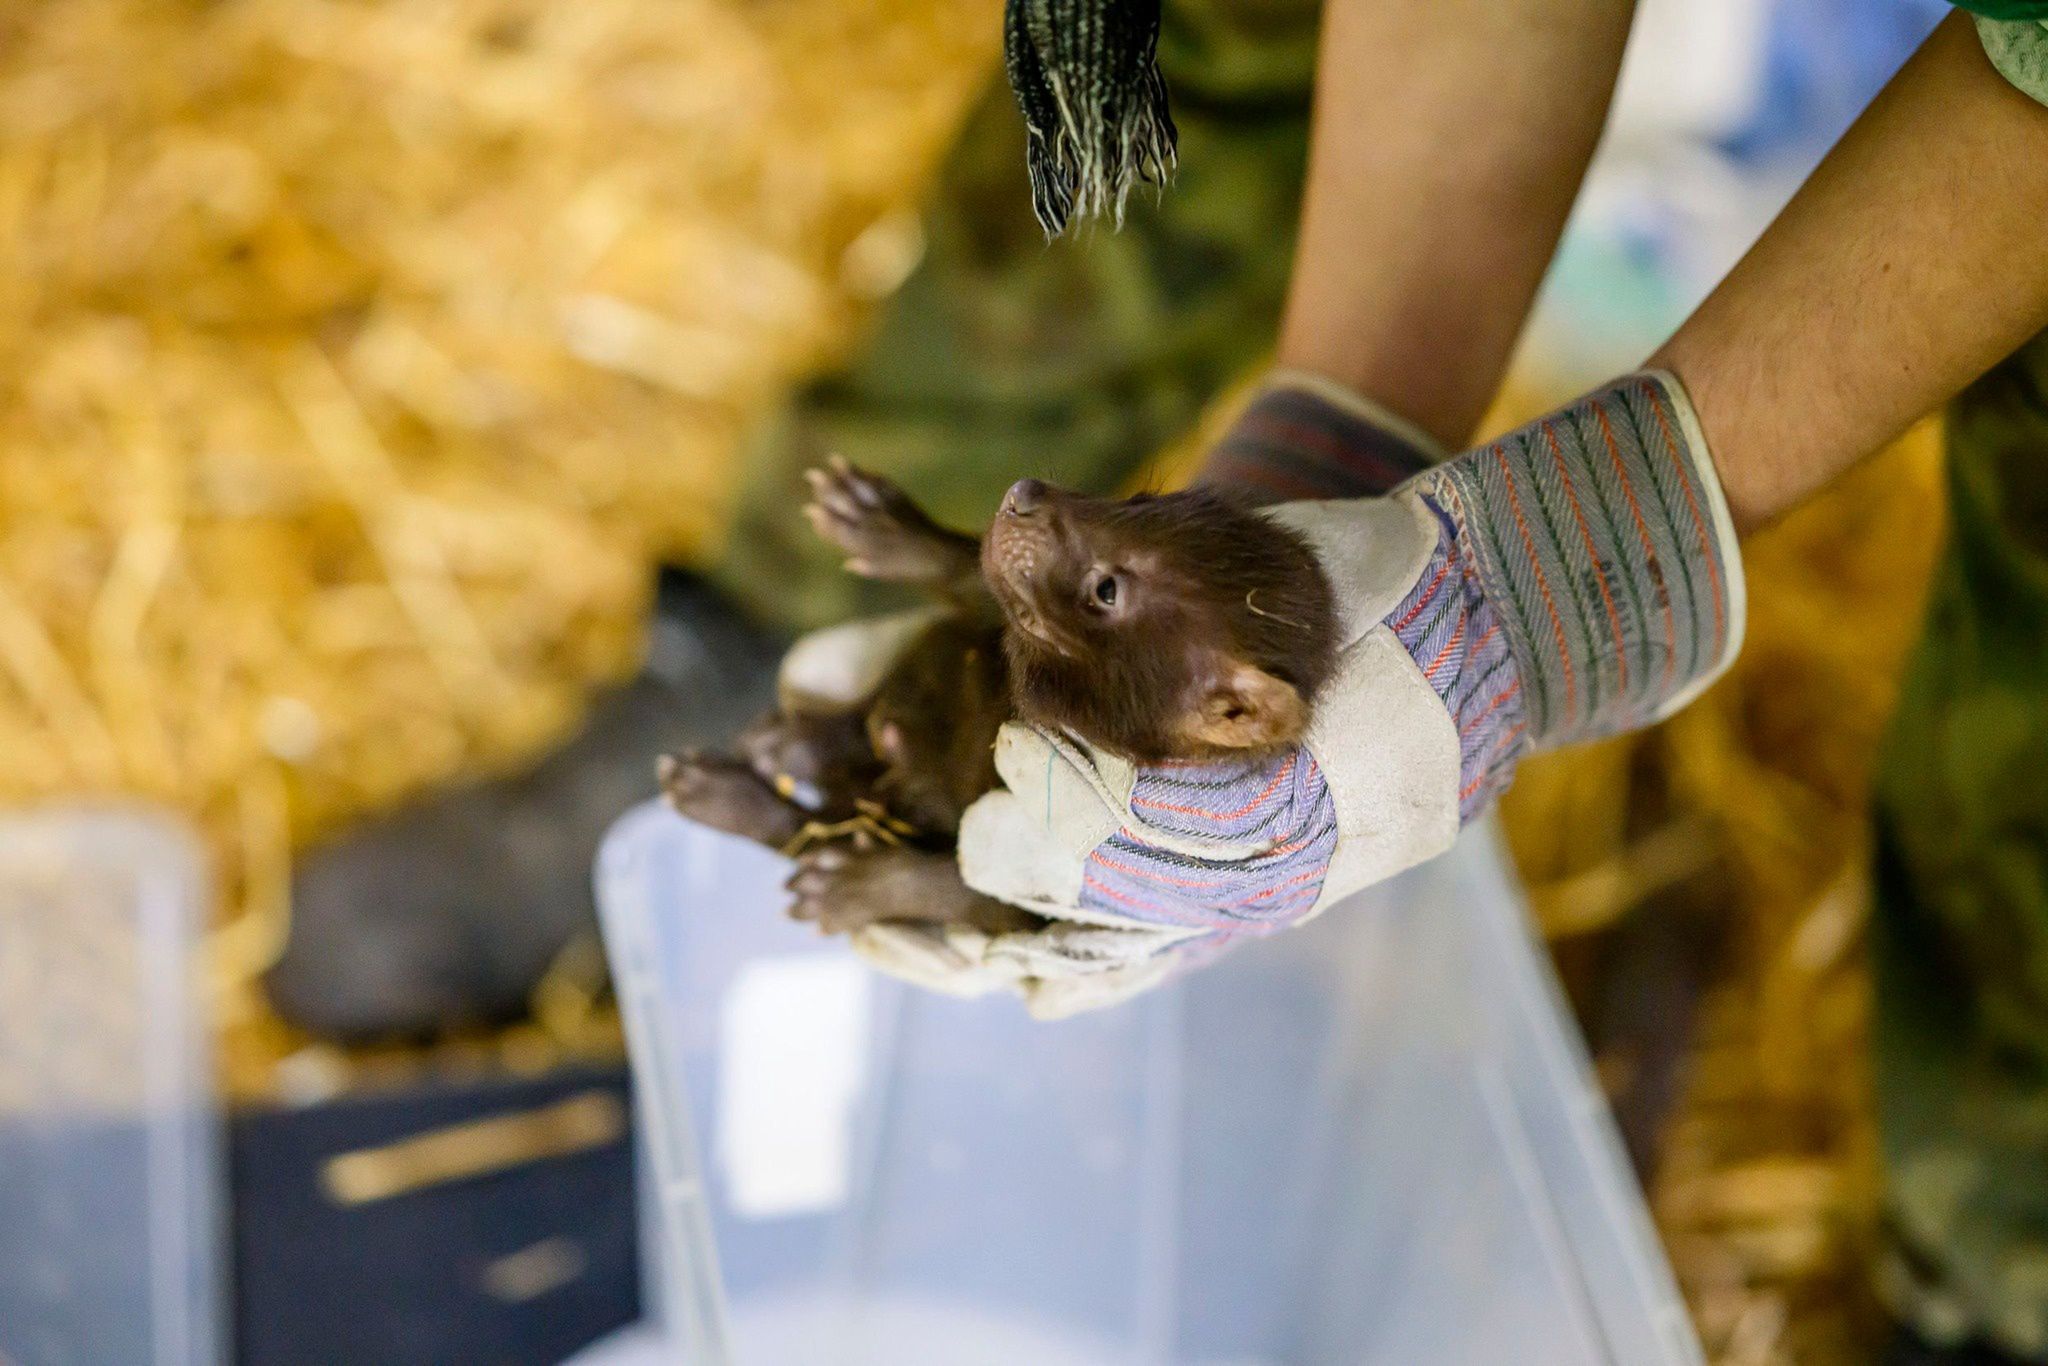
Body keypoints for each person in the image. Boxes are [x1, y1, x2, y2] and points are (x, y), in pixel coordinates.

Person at [728, 4, 2048, 1362]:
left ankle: (2003, 1288)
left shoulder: (1204, 714)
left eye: (1109, 580)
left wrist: (1570, 559)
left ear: (1236, 713)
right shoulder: (1161, 675)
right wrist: (1349, 413)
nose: (1027, 504)